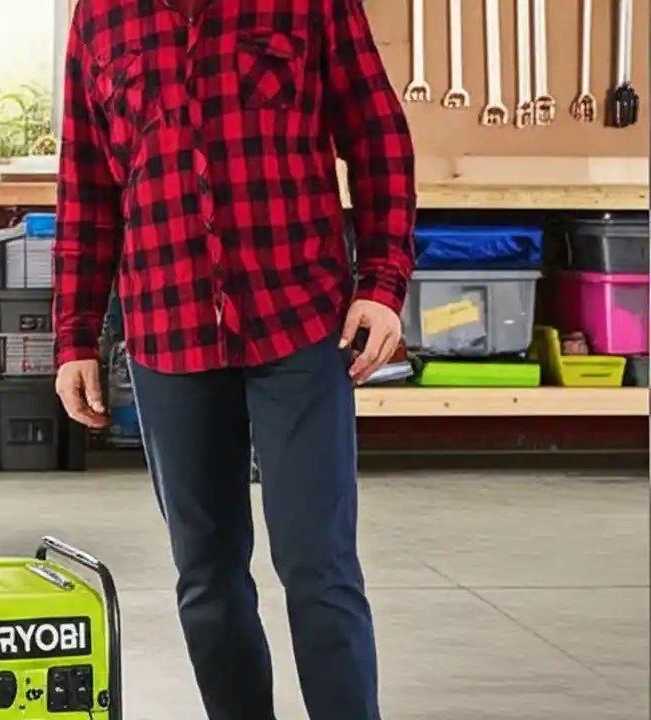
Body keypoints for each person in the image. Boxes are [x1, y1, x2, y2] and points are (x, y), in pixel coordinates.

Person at [52, 1, 416, 719]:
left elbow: (377, 136)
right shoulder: (99, 16)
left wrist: (381, 283)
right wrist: (74, 338)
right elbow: (87, 190)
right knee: (207, 576)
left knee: (319, 566)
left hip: (301, 322)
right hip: (169, 326)